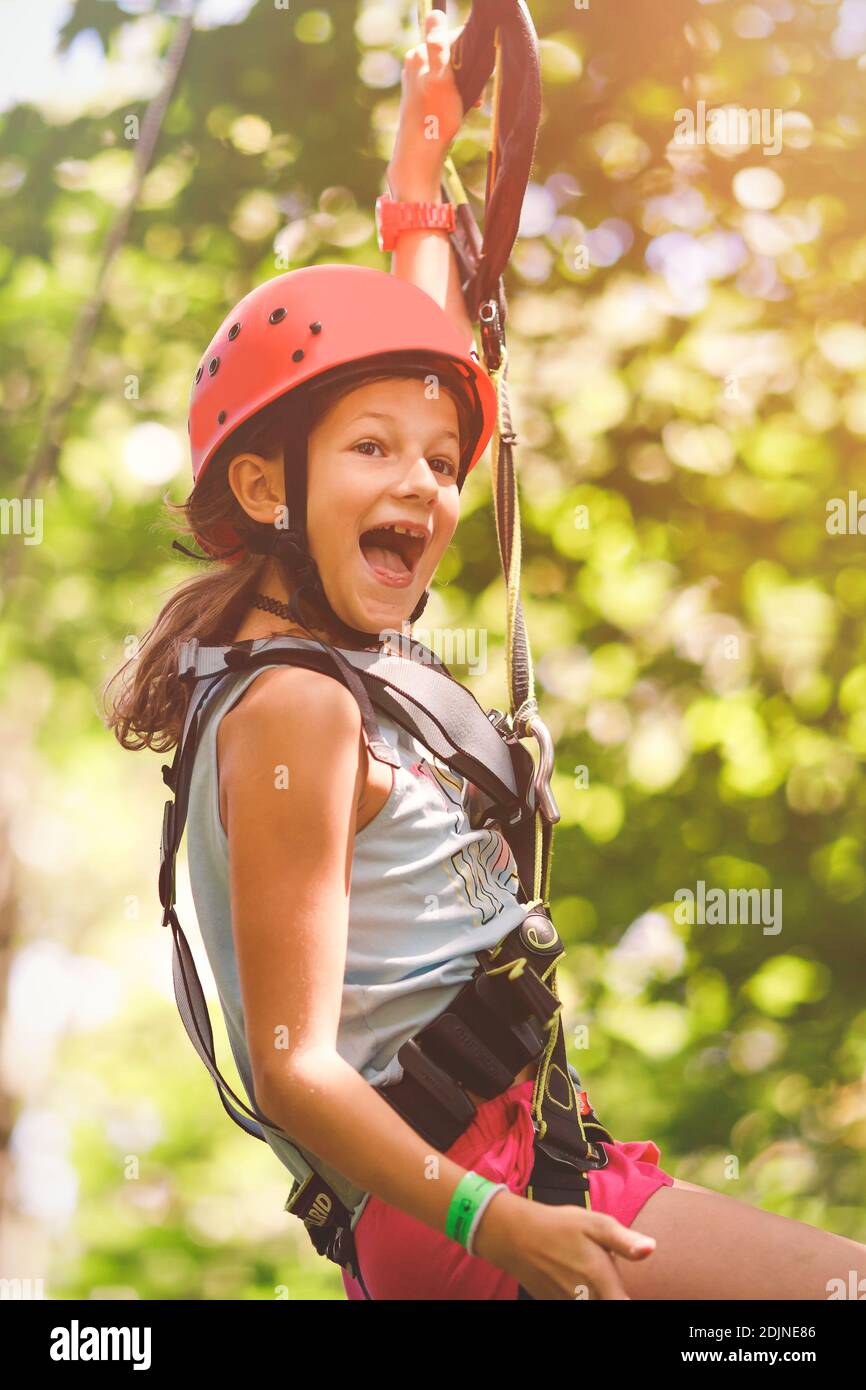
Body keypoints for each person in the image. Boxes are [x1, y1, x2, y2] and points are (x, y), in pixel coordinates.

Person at [105, 12, 866, 1301]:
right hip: (477, 1203)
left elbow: (399, 354)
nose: (425, 484)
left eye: (445, 461)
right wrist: (495, 1224)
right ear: (266, 486)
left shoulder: (331, 655)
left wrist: (420, 169)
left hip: (522, 1174)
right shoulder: (293, 705)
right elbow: (294, 1065)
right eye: (373, 452)